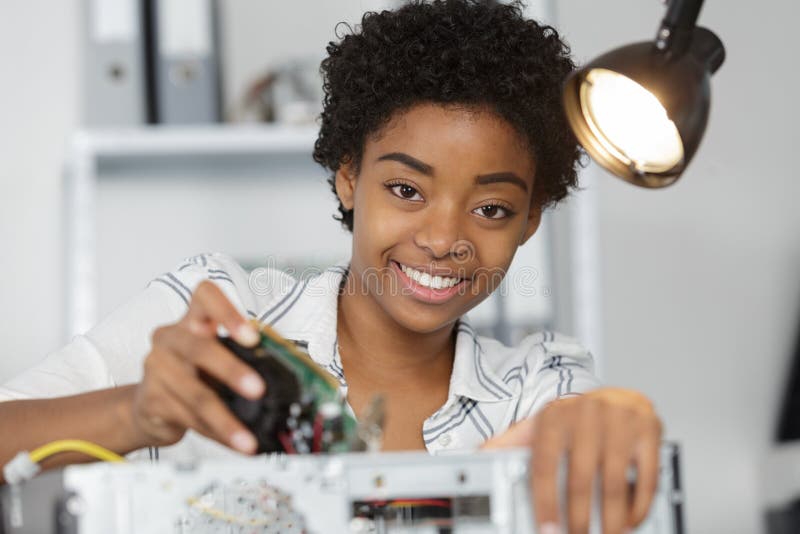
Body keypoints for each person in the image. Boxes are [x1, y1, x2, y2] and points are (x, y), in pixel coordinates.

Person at [0, 1, 662, 533]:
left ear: (531, 221)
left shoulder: (533, 383)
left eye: (491, 208)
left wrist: (617, 411)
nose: (443, 239)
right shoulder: (225, 314)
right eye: (406, 190)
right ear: (348, 178)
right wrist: (138, 412)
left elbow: (592, 419)